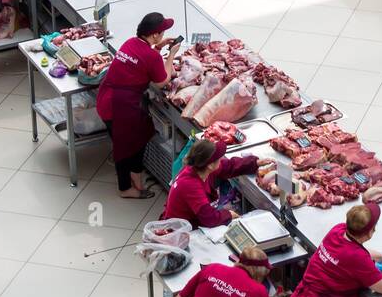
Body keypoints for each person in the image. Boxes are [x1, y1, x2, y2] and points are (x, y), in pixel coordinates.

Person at [95, 12, 181, 198]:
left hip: (107, 98)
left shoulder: (130, 43)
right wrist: (171, 55)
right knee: (125, 146)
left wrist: (157, 47)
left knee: (138, 136)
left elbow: (143, 60)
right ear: (155, 34)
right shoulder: (152, 56)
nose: (163, 34)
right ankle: (125, 188)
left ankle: (137, 181)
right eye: (162, 31)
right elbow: (162, 81)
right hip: (120, 106)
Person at [162, 138, 262, 226]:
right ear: (210, 165)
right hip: (178, 229)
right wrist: (228, 214)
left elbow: (228, 166)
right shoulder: (191, 184)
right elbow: (209, 218)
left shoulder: (201, 169)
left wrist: (254, 162)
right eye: (218, 158)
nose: (221, 159)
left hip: (192, 220)